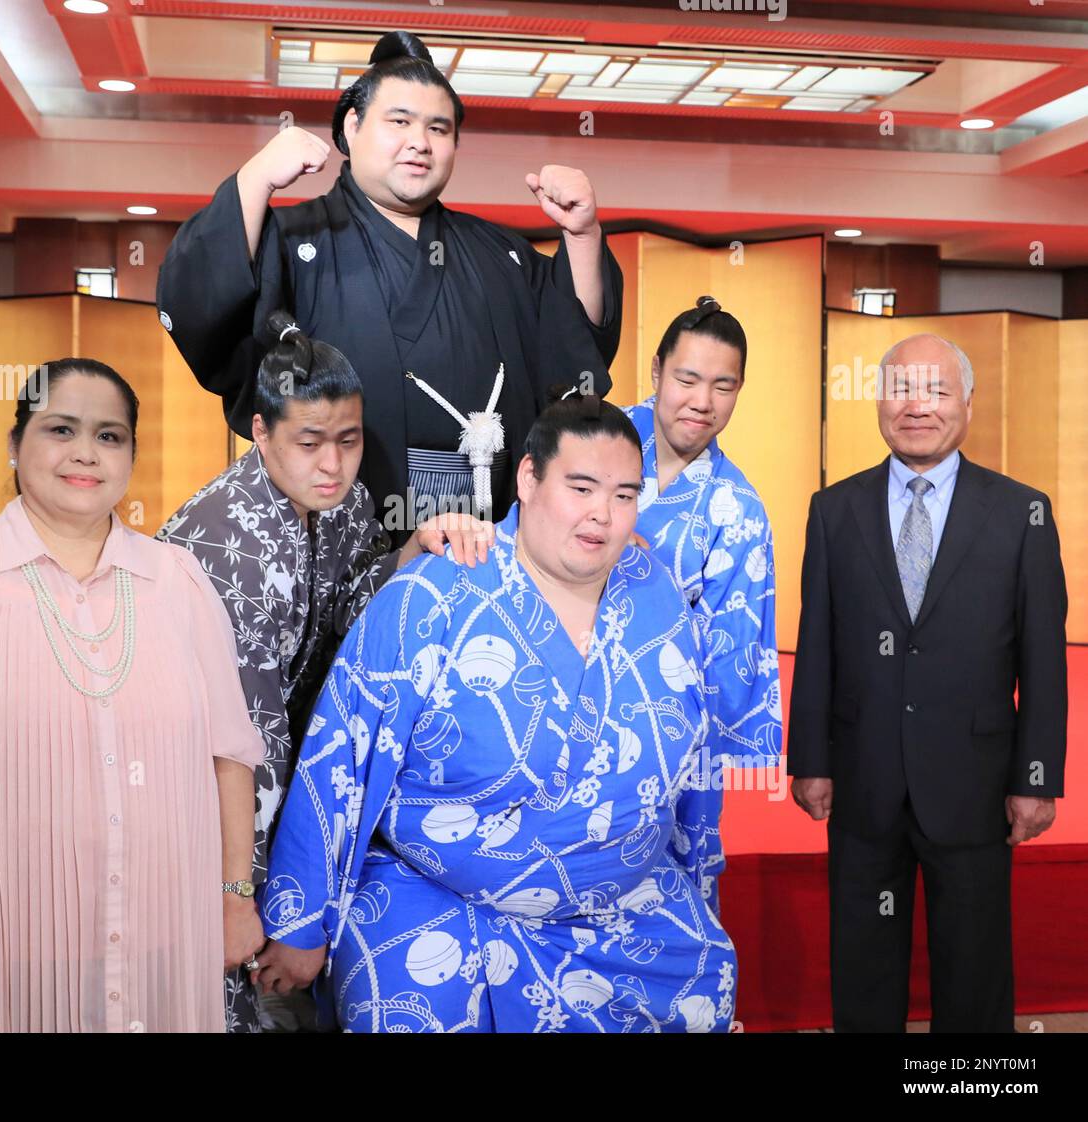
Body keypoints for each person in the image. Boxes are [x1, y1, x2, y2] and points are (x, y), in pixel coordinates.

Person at [250, 392, 737, 1033]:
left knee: (709, 978)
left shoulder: (658, 592)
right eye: (582, 487)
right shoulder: (436, 591)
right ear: (529, 478)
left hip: (621, 907)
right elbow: (342, 757)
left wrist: (701, 881)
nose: (603, 515)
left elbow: (694, 768)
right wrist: (298, 920)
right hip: (445, 899)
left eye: (624, 495)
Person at [0, 359, 266, 1032]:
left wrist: (236, 899)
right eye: (61, 428)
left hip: (161, 943)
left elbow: (230, 753)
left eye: (110, 435)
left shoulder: (177, 581)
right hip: (1, 954)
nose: (86, 452)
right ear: (14, 444)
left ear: (131, 456)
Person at [158, 311, 492, 1031]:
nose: (333, 464)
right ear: (260, 432)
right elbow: (249, 737)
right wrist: (248, 897)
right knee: (216, 995)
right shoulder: (227, 543)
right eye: (310, 443)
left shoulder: (343, 504)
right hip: (189, 789)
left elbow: (347, 604)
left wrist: (410, 554)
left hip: (269, 770)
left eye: (347, 441)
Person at [156, 29, 622, 525]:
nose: (419, 142)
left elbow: (572, 354)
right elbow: (199, 309)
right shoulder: (295, 240)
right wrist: (255, 179)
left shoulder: (499, 251)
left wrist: (582, 233)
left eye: (439, 130)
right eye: (399, 121)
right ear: (352, 126)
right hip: (340, 532)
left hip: (489, 529)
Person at [788, 334, 1068, 1033]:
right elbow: (816, 644)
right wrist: (810, 761)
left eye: (937, 391)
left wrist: (1038, 776)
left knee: (973, 971)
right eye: (902, 390)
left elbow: (1042, 657)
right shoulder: (834, 510)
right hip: (863, 777)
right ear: (878, 401)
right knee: (864, 964)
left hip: (975, 780)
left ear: (967, 404)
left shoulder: (1021, 514)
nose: (918, 407)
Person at [624, 297, 781, 915]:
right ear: (657, 371)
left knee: (657, 891)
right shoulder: (595, 440)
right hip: (547, 691)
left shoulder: (737, 510)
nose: (702, 401)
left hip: (663, 724)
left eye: (724, 386)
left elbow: (731, 655)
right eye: (687, 379)